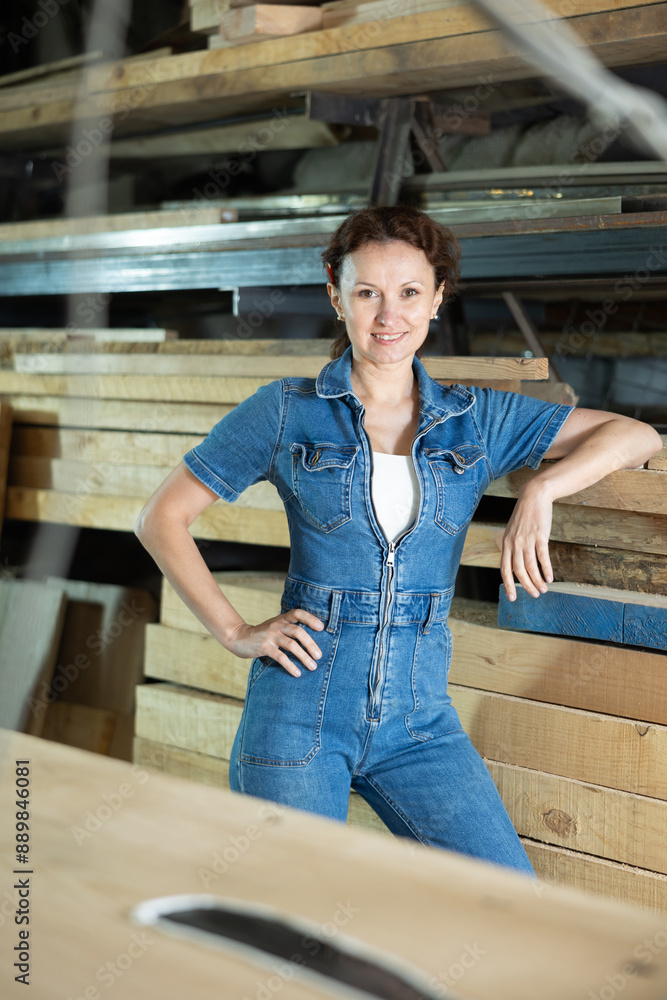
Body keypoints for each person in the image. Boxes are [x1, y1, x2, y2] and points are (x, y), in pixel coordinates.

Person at [134, 204, 662, 878]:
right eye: (367, 293)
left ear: (437, 298)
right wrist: (237, 632)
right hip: (299, 712)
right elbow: (160, 518)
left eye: (409, 292)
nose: (389, 316)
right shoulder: (286, 411)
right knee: (291, 932)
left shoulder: (477, 419)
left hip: (419, 724)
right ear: (335, 296)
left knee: (506, 900)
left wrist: (541, 490)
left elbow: (633, 434)